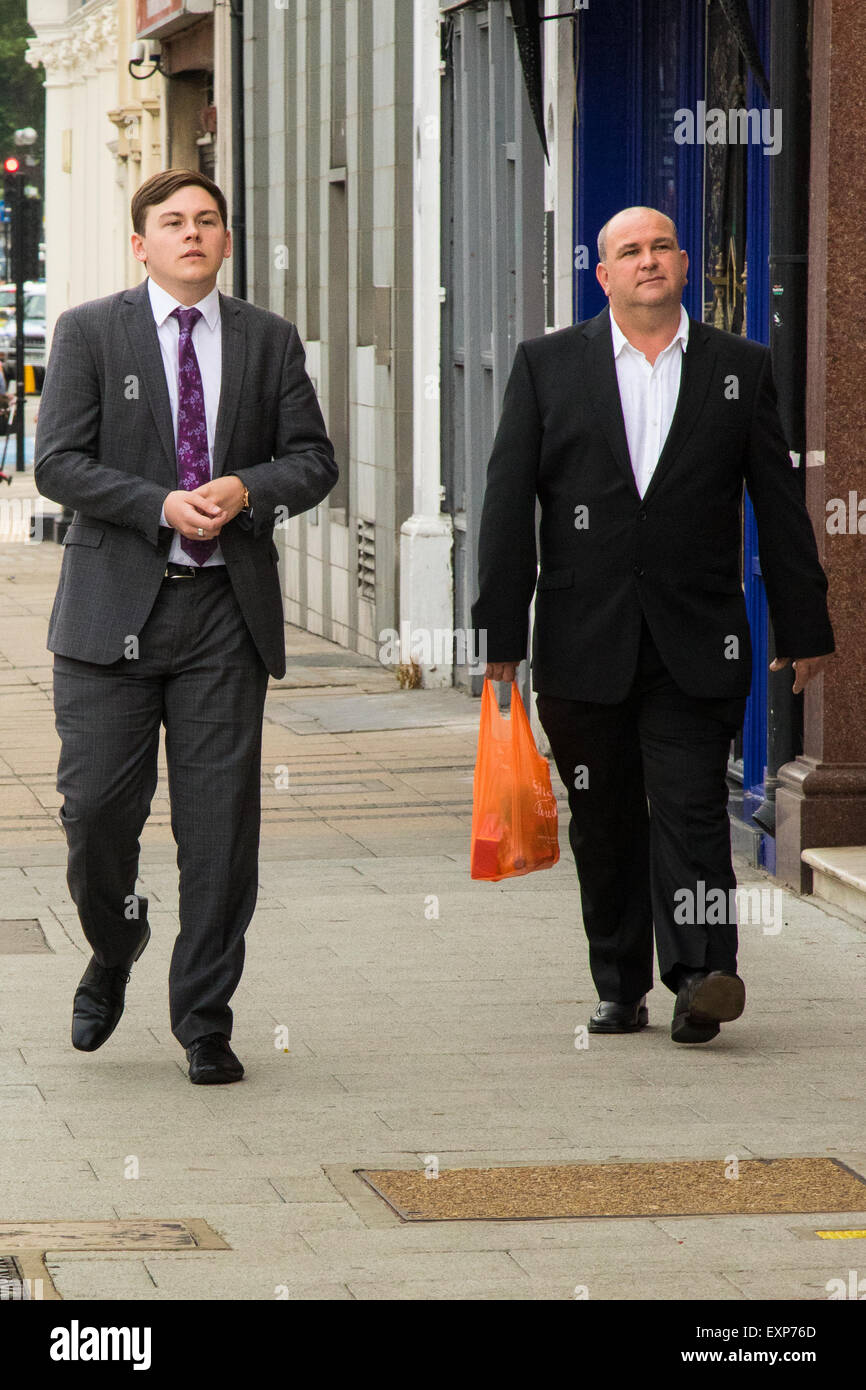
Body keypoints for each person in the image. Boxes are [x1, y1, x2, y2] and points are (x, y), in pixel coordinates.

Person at [472, 206, 834, 1045]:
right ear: (602, 275)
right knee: (604, 820)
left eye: (661, 246)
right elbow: (505, 507)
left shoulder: (737, 368)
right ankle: (620, 980)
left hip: (697, 640)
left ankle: (703, 974)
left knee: (692, 807)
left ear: (682, 263)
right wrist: (500, 642)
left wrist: (802, 623)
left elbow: (778, 506)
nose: (647, 260)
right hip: (580, 640)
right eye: (628, 251)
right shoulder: (546, 366)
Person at [34, 169, 337, 1083]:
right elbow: (56, 463)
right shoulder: (90, 332)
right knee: (95, 816)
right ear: (142, 243)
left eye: (209, 221)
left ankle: (204, 1019)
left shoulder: (268, 341)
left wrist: (249, 488)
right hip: (109, 618)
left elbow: (313, 460)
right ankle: (116, 940)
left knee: (220, 829)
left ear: (227, 241)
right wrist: (159, 504)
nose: (193, 233)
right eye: (173, 222)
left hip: (221, 617)